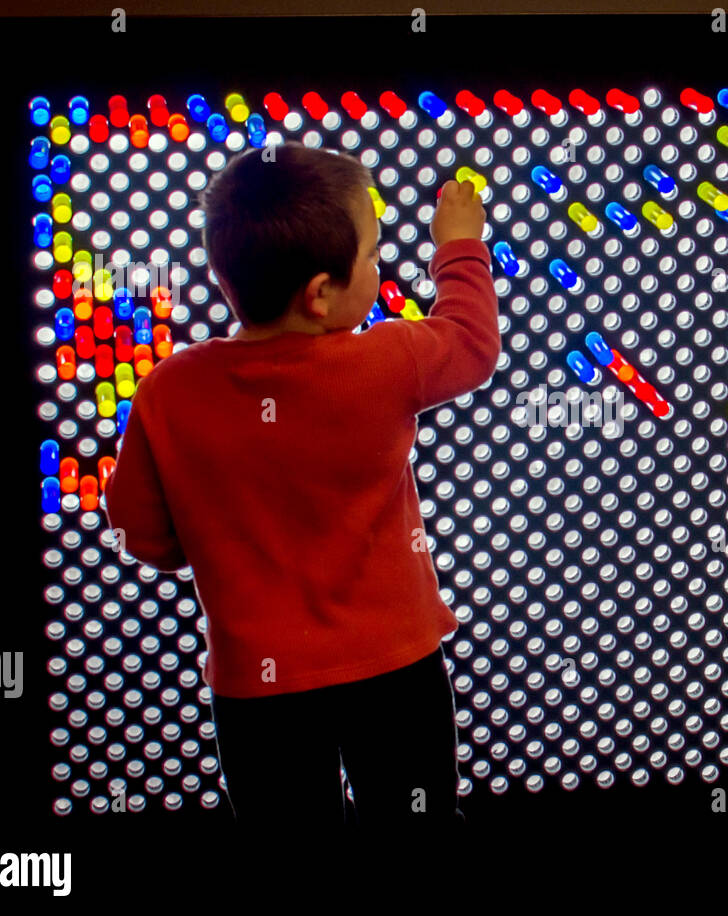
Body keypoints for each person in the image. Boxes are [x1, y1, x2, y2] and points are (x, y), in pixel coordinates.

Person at [103, 140, 497, 827]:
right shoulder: (389, 361)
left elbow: (138, 528)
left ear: (228, 281)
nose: (378, 268)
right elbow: (471, 341)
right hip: (395, 672)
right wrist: (459, 246)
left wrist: (212, 541)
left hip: (260, 690)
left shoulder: (170, 390)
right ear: (320, 294)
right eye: (373, 257)